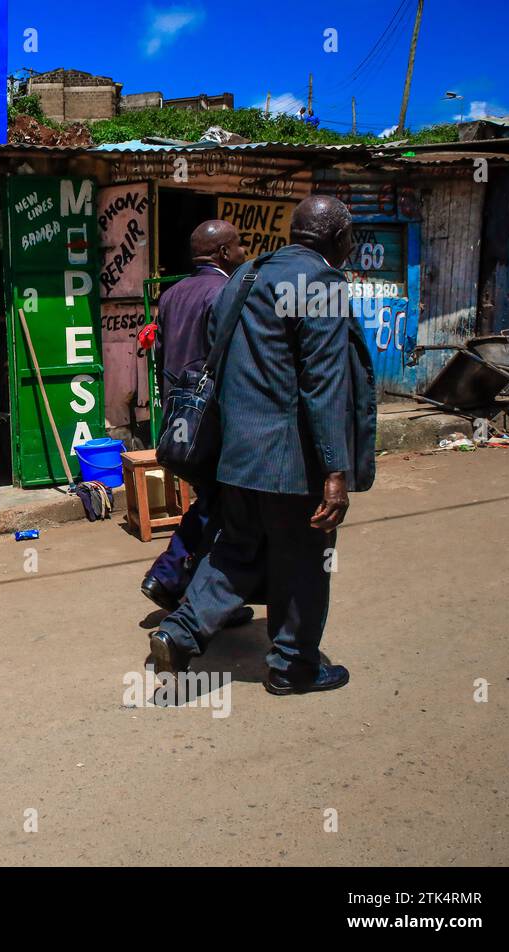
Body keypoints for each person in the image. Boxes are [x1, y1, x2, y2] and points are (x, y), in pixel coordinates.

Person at [149, 195, 377, 695]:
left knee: (234, 552)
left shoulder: (247, 276)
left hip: (236, 454)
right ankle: (294, 667)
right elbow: (323, 381)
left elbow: (221, 353)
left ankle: (180, 632)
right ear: (341, 238)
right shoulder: (321, 282)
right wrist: (334, 470)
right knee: (305, 562)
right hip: (291, 461)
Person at [138, 220, 247, 615]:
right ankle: (170, 577)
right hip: (211, 420)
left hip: (178, 418)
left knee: (216, 502)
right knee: (222, 505)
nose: (242, 253)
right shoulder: (225, 292)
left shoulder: (172, 294)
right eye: (238, 247)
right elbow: (230, 362)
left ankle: (209, 597)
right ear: (222, 253)